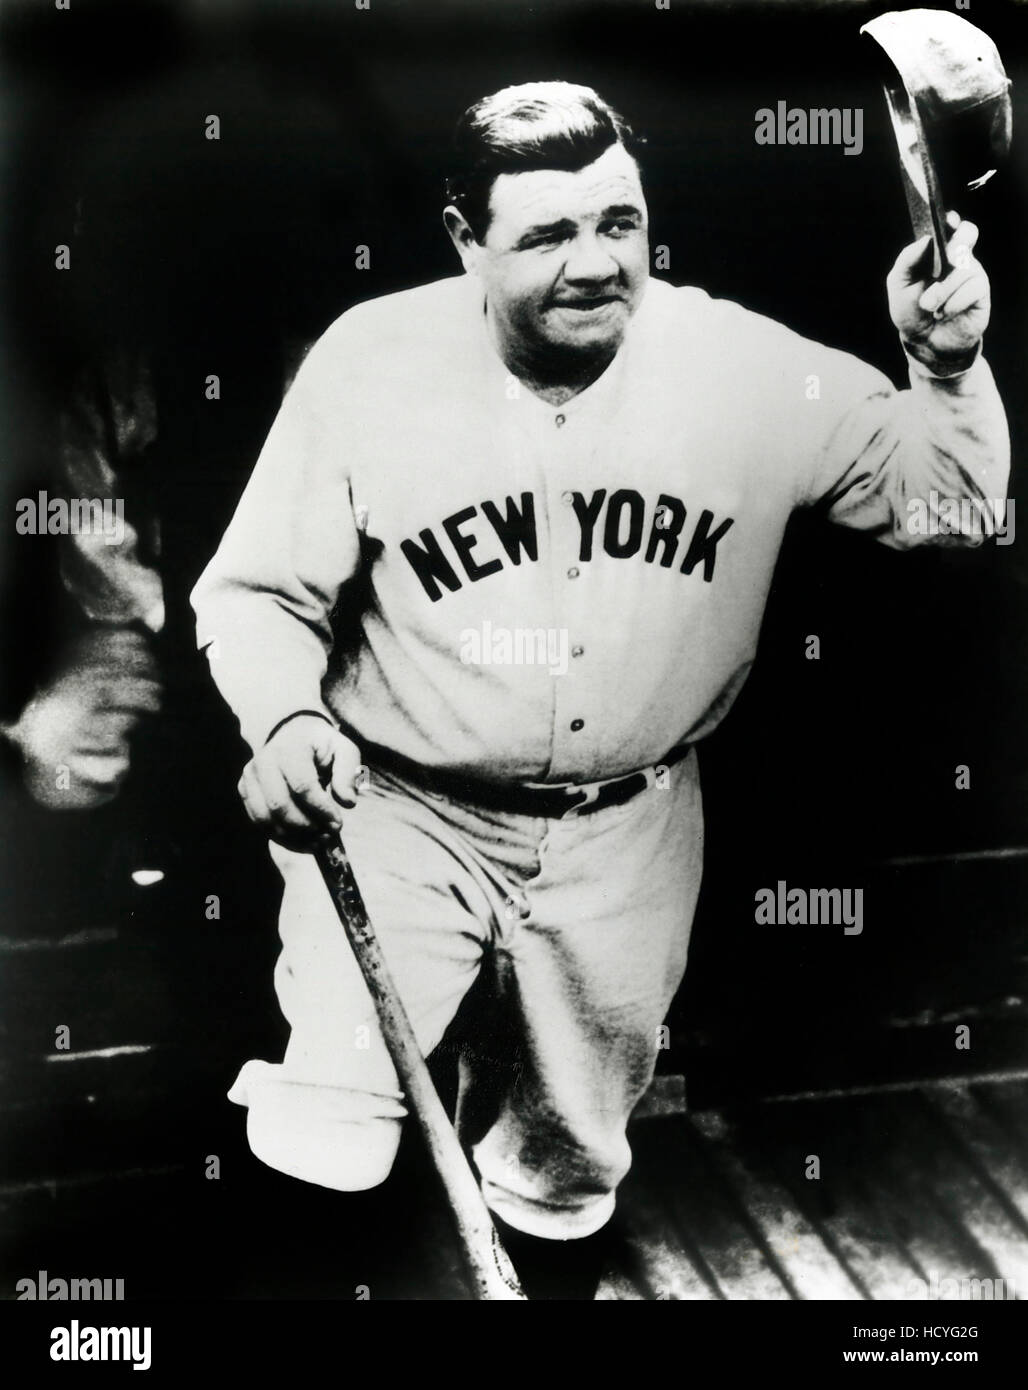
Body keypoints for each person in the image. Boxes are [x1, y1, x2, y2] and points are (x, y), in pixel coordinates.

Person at [191, 81, 1009, 1299]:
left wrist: (944, 368)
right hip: (402, 811)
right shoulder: (369, 363)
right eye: (546, 234)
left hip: (627, 829)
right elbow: (256, 593)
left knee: (565, 1162)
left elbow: (954, 511)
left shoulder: (741, 367)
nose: (592, 263)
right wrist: (286, 716)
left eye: (617, 223)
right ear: (465, 240)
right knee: (327, 1125)